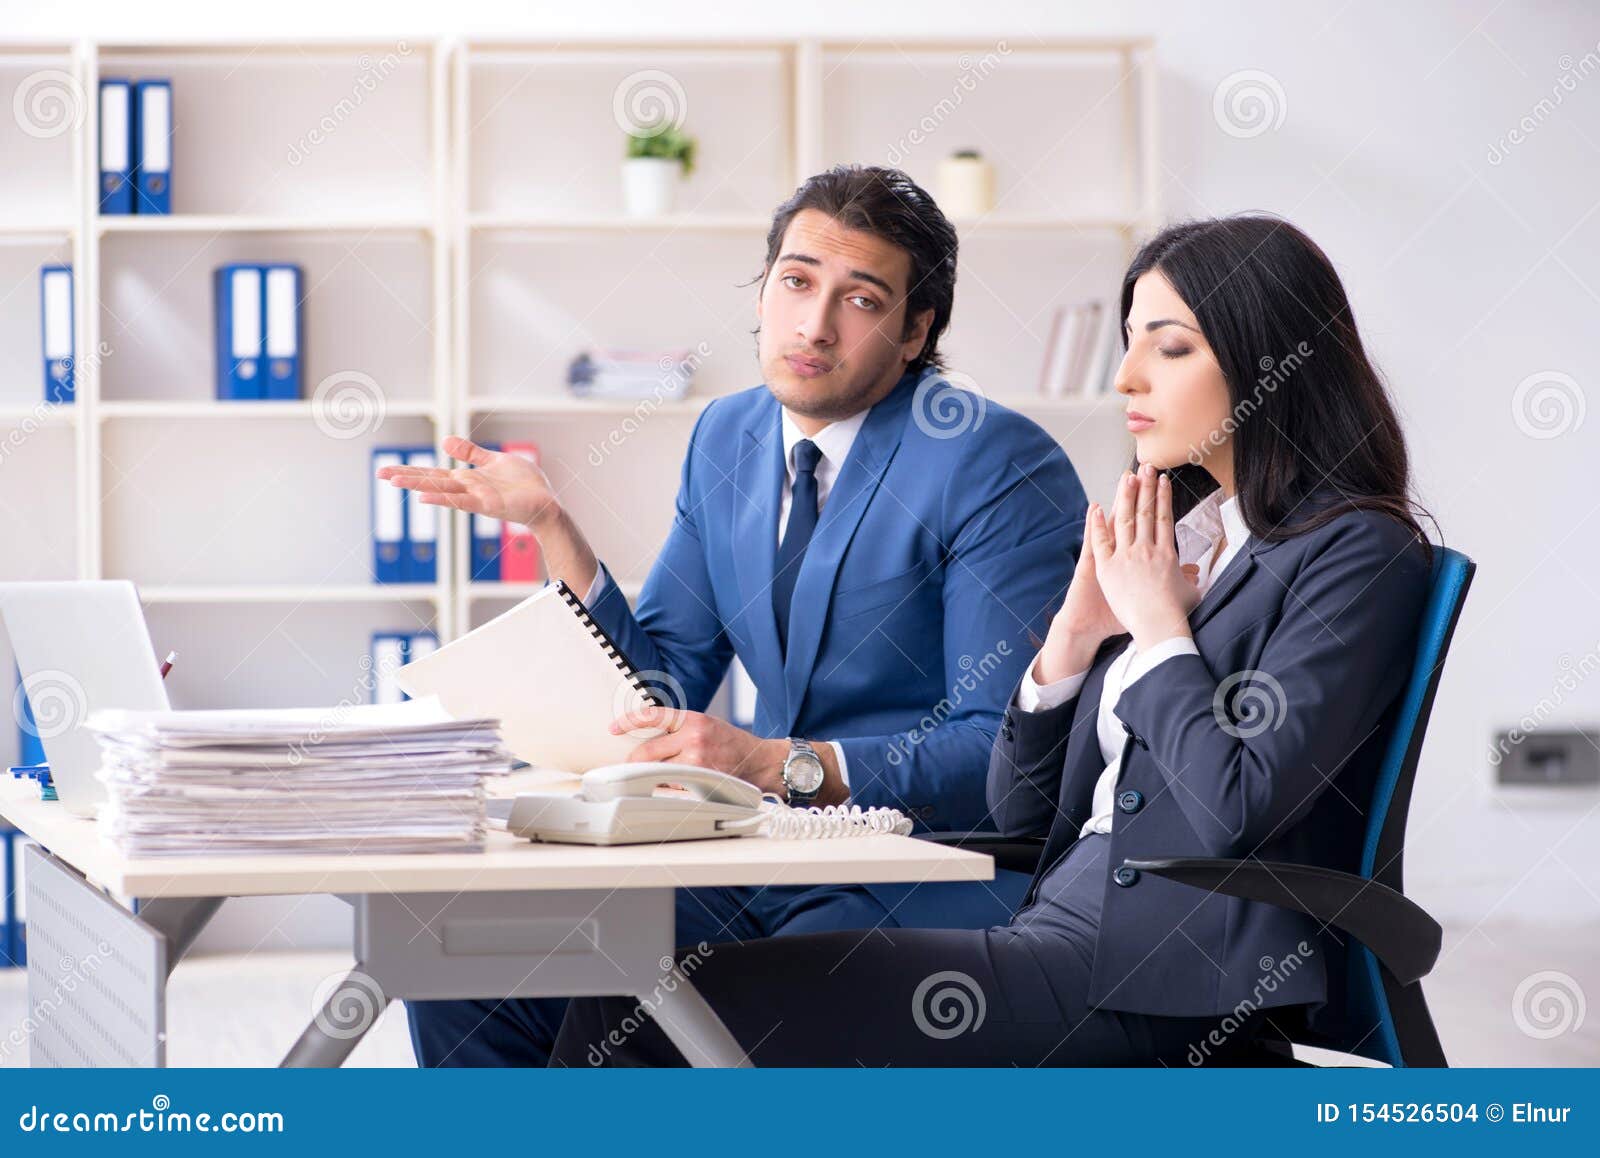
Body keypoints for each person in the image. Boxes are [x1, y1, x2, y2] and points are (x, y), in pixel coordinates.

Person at [548, 214, 1437, 1066]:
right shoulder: (1192, 539)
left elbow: (1236, 810)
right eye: (1130, 343)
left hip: (1158, 974)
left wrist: (1161, 629)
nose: (1126, 377)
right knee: (619, 997)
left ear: (1273, 364)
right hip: (1054, 929)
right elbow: (1020, 813)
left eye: (1169, 347)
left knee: (643, 1017)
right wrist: (1071, 643)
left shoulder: (1358, 553)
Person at [378, 165, 1088, 1066]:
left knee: (668, 1010)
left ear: (915, 332)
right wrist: (556, 530)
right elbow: (666, 679)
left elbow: (998, 751)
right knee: (474, 959)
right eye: (795, 282)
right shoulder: (730, 434)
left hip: (924, 862)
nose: (813, 324)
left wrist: (772, 762)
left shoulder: (992, 462)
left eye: (859, 299)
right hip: (766, 851)